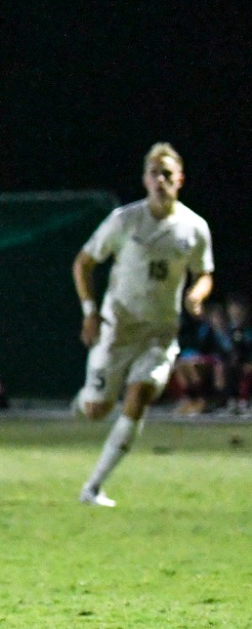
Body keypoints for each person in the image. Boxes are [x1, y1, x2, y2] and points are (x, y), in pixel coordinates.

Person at [71, 142, 213, 507]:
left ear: (180, 179)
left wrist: (196, 294)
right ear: (145, 180)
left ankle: (93, 487)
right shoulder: (125, 220)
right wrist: (90, 311)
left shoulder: (194, 228)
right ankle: (86, 397)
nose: (160, 180)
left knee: (140, 395)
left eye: (167, 174)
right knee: (96, 411)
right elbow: (83, 263)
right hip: (118, 329)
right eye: (154, 174)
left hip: (160, 333)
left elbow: (205, 272)